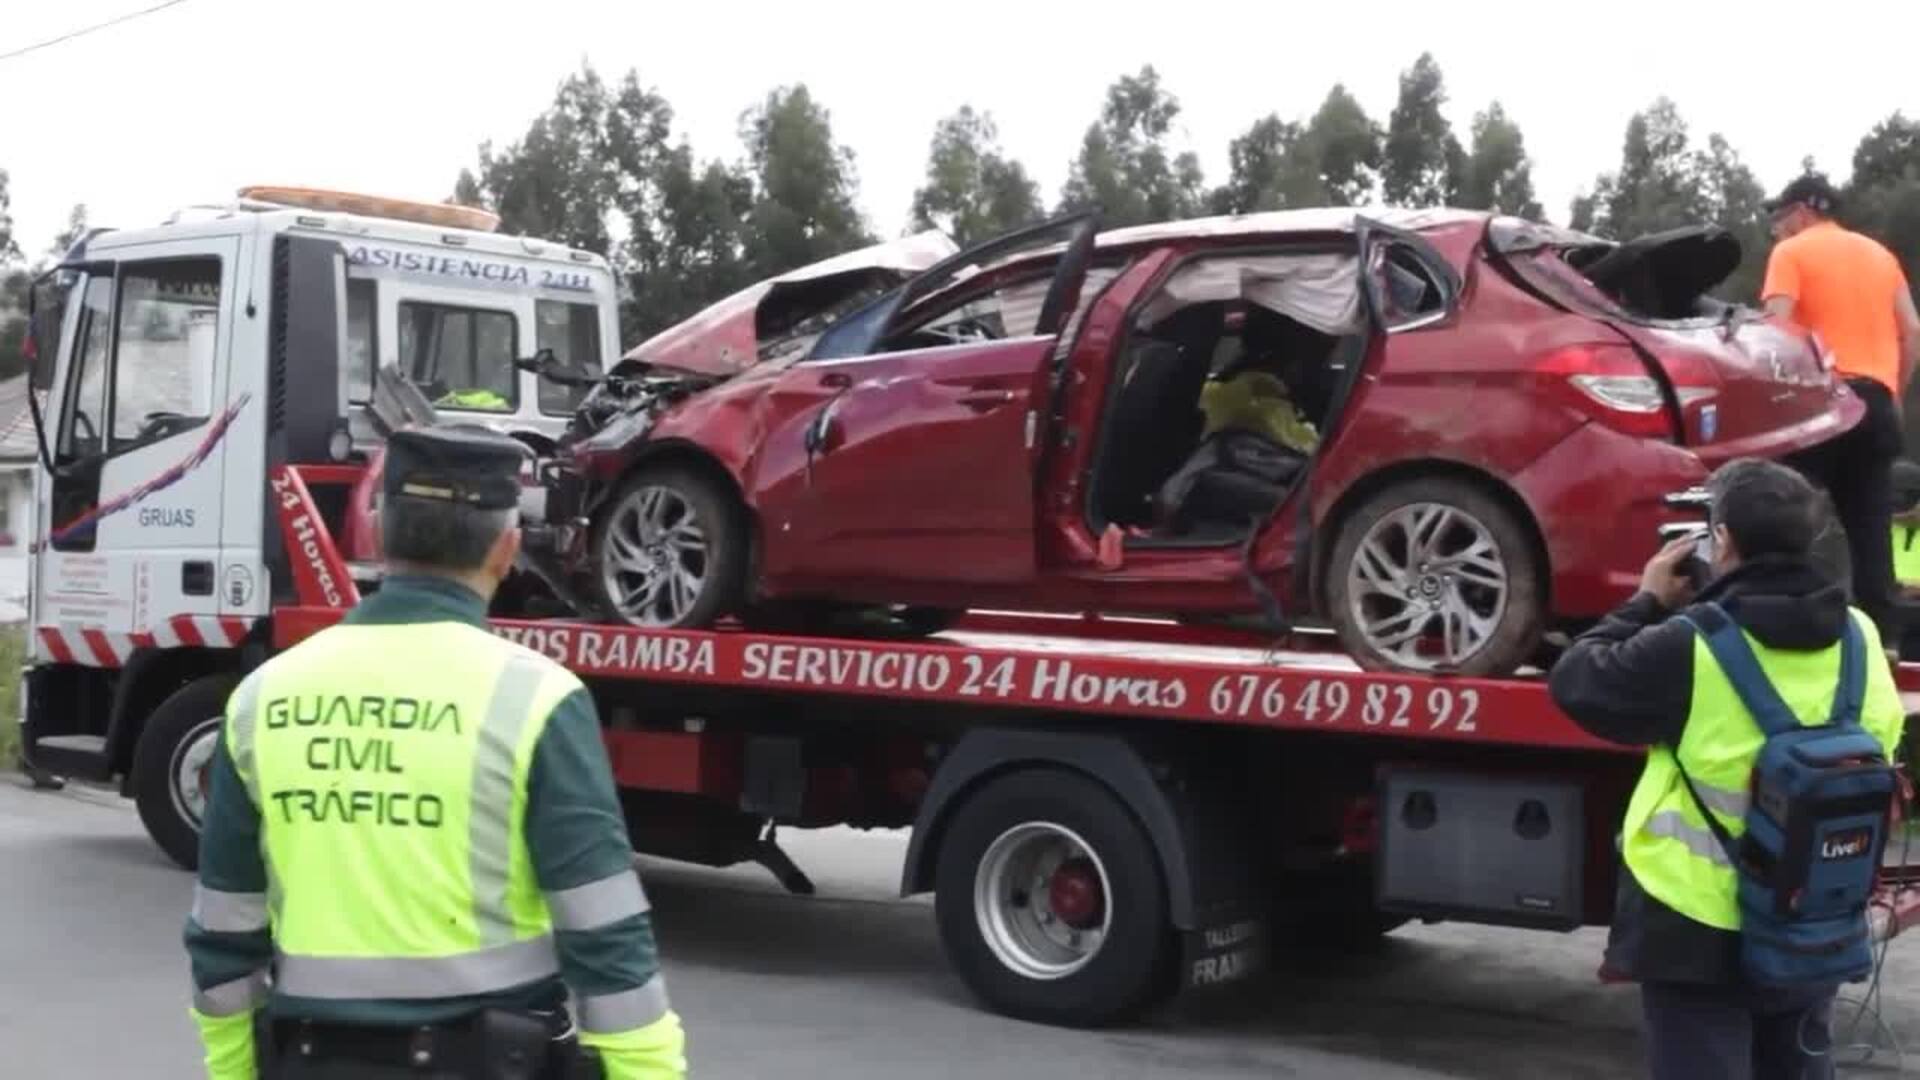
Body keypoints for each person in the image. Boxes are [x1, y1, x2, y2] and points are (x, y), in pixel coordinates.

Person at [183, 425, 688, 1079]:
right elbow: (605, 934)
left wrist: (233, 1070)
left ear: (376, 535)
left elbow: (224, 933)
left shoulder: (263, 698)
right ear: (506, 551)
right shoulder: (537, 699)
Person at [1547, 458, 1906, 1079]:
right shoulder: (1859, 636)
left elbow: (1577, 680)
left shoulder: (1690, 643)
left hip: (1698, 924)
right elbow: (1884, 734)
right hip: (1811, 909)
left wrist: (1645, 601)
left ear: (1722, 540)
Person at [1763, 172, 1920, 646]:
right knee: (1871, 528)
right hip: (1876, 402)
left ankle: (1797, 634)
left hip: (1818, 400)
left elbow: (1773, 331)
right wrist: (1893, 392)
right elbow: (1912, 332)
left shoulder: (1791, 252)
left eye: (1778, 219)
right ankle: (1884, 643)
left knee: (1791, 522)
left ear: (1800, 213)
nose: (1775, 230)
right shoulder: (1881, 256)